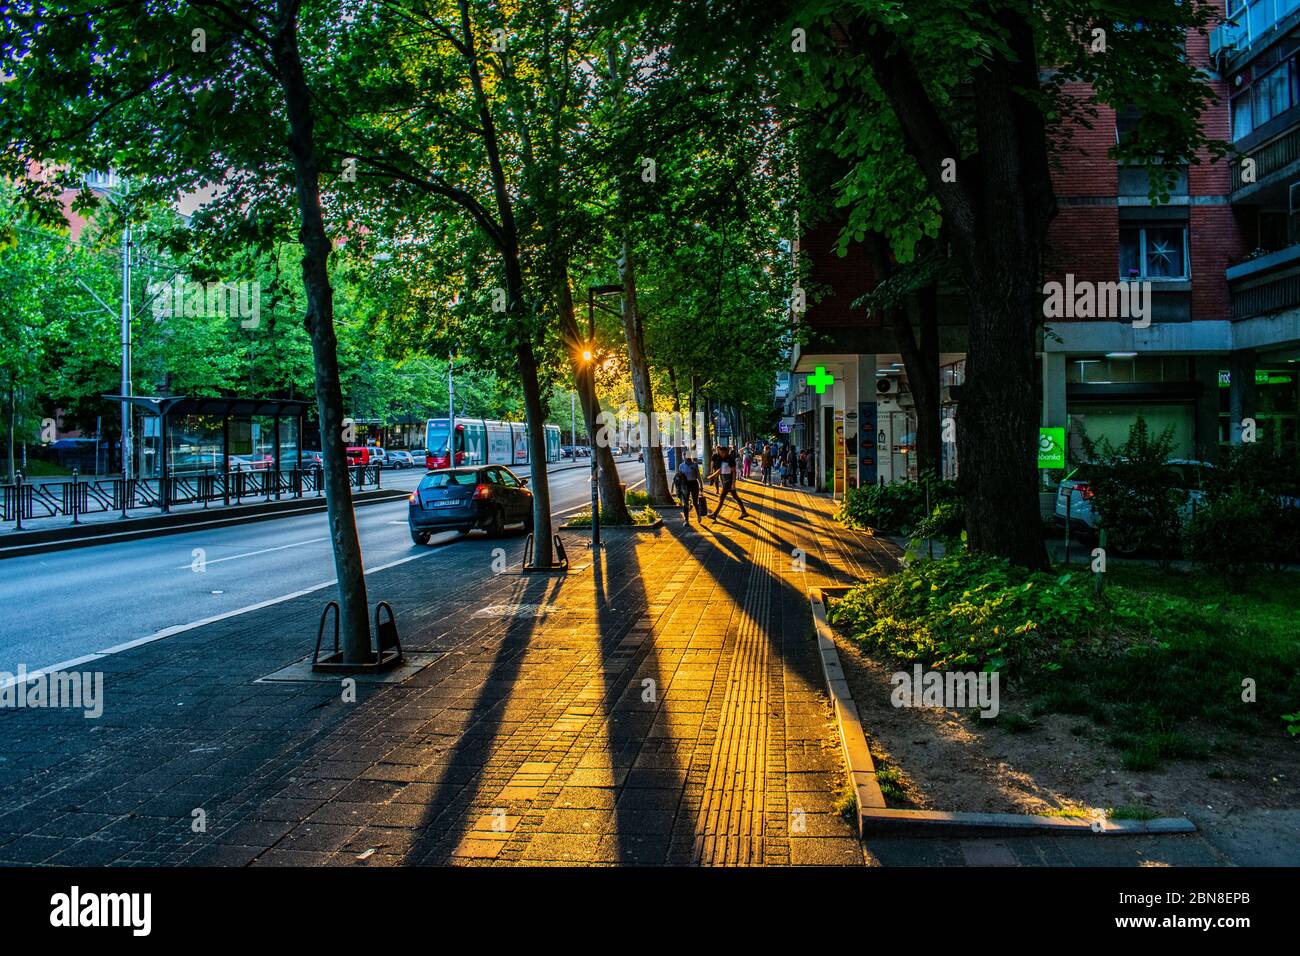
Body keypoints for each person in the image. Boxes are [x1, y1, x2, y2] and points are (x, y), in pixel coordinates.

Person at [706, 445, 749, 520]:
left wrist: (733, 483)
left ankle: (715, 514)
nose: (721, 454)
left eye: (723, 452)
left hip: (728, 482)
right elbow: (720, 470)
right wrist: (712, 476)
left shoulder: (730, 460)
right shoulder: (722, 459)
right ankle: (744, 512)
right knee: (735, 497)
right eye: (720, 452)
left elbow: (734, 472)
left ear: (726, 452)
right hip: (724, 481)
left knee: (721, 498)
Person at [674, 454, 703, 527]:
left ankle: (699, 516)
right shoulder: (681, 466)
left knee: (695, 502)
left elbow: (698, 475)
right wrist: (679, 488)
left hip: (694, 484)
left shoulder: (694, 464)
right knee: (686, 503)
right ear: (683, 457)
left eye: (687, 456)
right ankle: (686, 520)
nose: (686, 457)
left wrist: (701, 485)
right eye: (684, 456)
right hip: (685, 485)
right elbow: (679, 477)